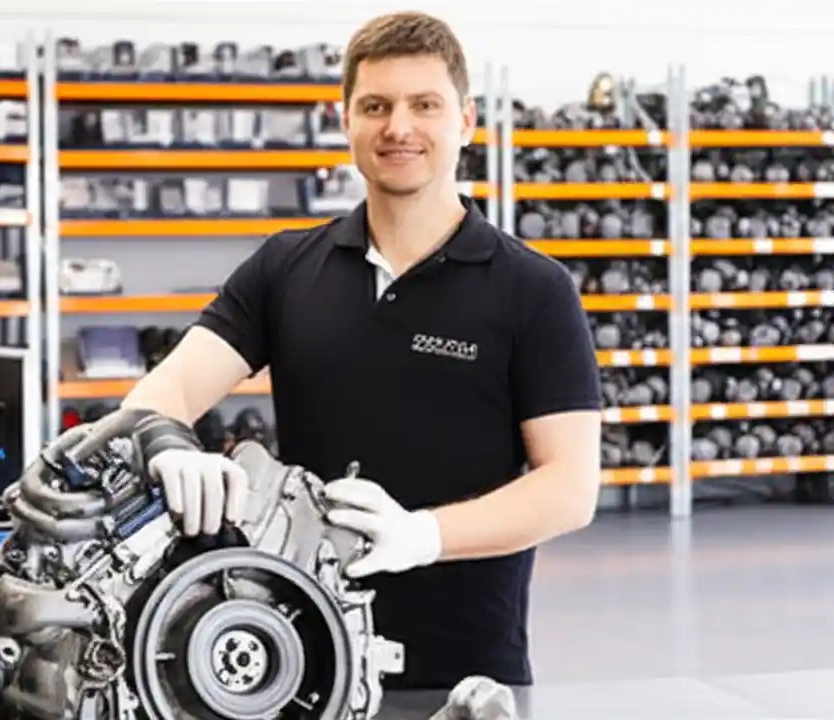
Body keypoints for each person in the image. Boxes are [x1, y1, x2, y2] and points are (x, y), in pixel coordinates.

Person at [118, 10, 602, 691]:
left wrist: (422, 536)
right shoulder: (286, 268)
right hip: (294, 666)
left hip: (463, 674)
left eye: (424, 105)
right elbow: (158, 398)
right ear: (344, 119)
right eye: (375, 105)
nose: (398, 127)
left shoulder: (534, 290)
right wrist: (167, 445)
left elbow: (571, 488)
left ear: (465, 121)